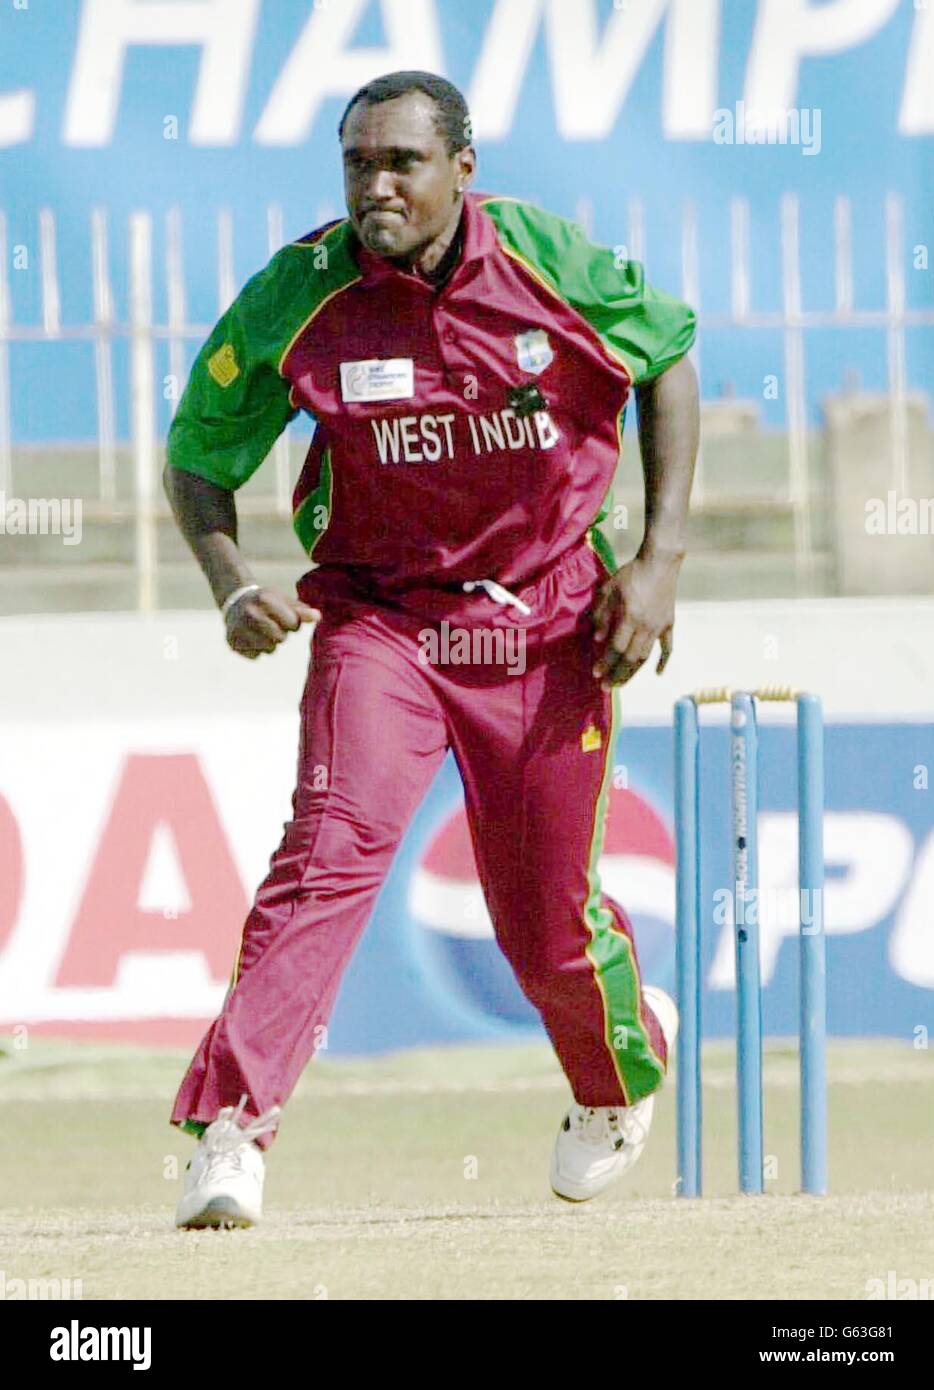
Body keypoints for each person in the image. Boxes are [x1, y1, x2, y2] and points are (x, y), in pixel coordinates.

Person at [164, 70, 699, 1229]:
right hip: (382, 620)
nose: (376, 186)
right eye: (357, 163)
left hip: (550, 619)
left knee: (545, 925)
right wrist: (230, 584)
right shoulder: (300, 293)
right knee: (329, 850)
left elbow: (663, 360)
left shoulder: (545, 258)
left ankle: (617, 1073)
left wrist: (655, 565)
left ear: (463, 168)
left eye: (401, 161)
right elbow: (197, 453)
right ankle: (233, 1129)